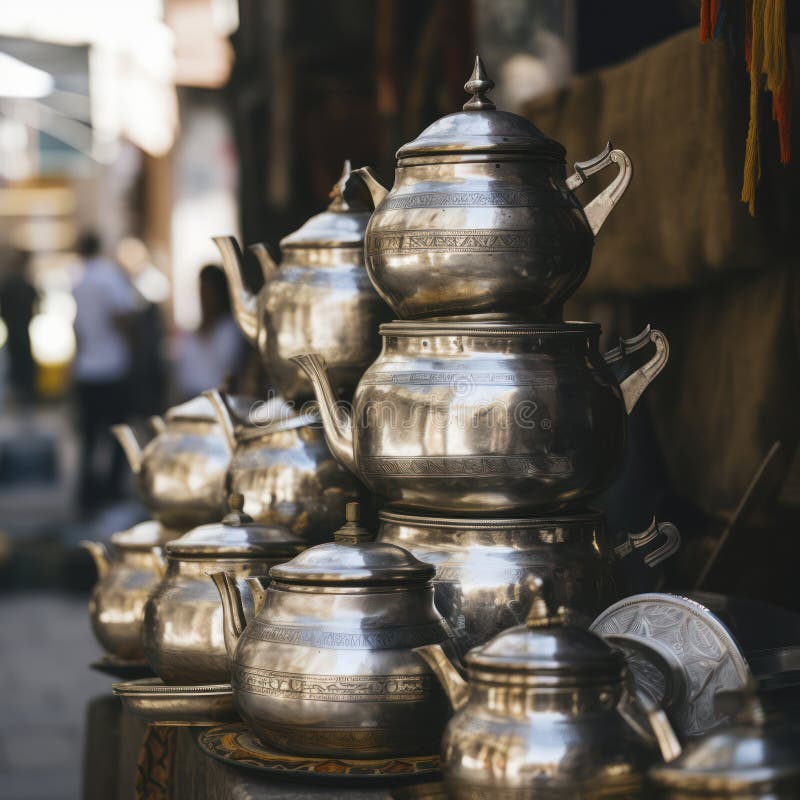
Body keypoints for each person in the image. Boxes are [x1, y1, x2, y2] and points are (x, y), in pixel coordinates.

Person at [71, 232, 137, 512]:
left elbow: (78, 328)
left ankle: (87, 495)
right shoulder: (108, 276)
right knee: (116, 434)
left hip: (87, 369)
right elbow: (122, 315)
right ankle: (112, 490)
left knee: (89, 438)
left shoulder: (80, 280)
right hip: (111, 367)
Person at [174, 264, 245, 400]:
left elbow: (225, 366)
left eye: (208, 293)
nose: (203, 299)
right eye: (201, 292)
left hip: (218, 399)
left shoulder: (229, 329)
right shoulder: (194, 330)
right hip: (190, 397)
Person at [0, 249, 38, 404]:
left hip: (16, 332)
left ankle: (22, 397)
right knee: (23, 368)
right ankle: (24, 397)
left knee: (18, 368)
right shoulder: (23, 285)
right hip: (21, 332)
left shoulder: (9, 285)